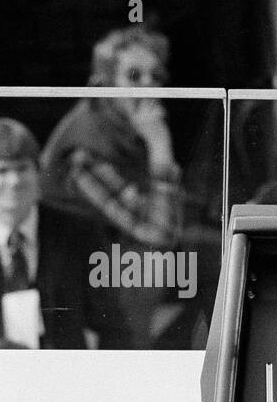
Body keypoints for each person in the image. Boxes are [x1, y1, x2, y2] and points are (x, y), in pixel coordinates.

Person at [38, 25, 186, 347]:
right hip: (74, 271)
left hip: (111, 247)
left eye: (155, 75)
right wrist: (160, 145)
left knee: (225, 256)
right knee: (151, 262)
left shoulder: (124, 126)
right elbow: (159, 232)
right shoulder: (84, 150)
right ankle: (134, 358)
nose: (149, 86)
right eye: (134, 76)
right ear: (105, 84)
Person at [0, 118, 131, 350]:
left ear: (37, 172)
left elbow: (113, 328)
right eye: (1, 171)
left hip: (59, 378)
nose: (14, 180)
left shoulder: (80, 233)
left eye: (22, 168)